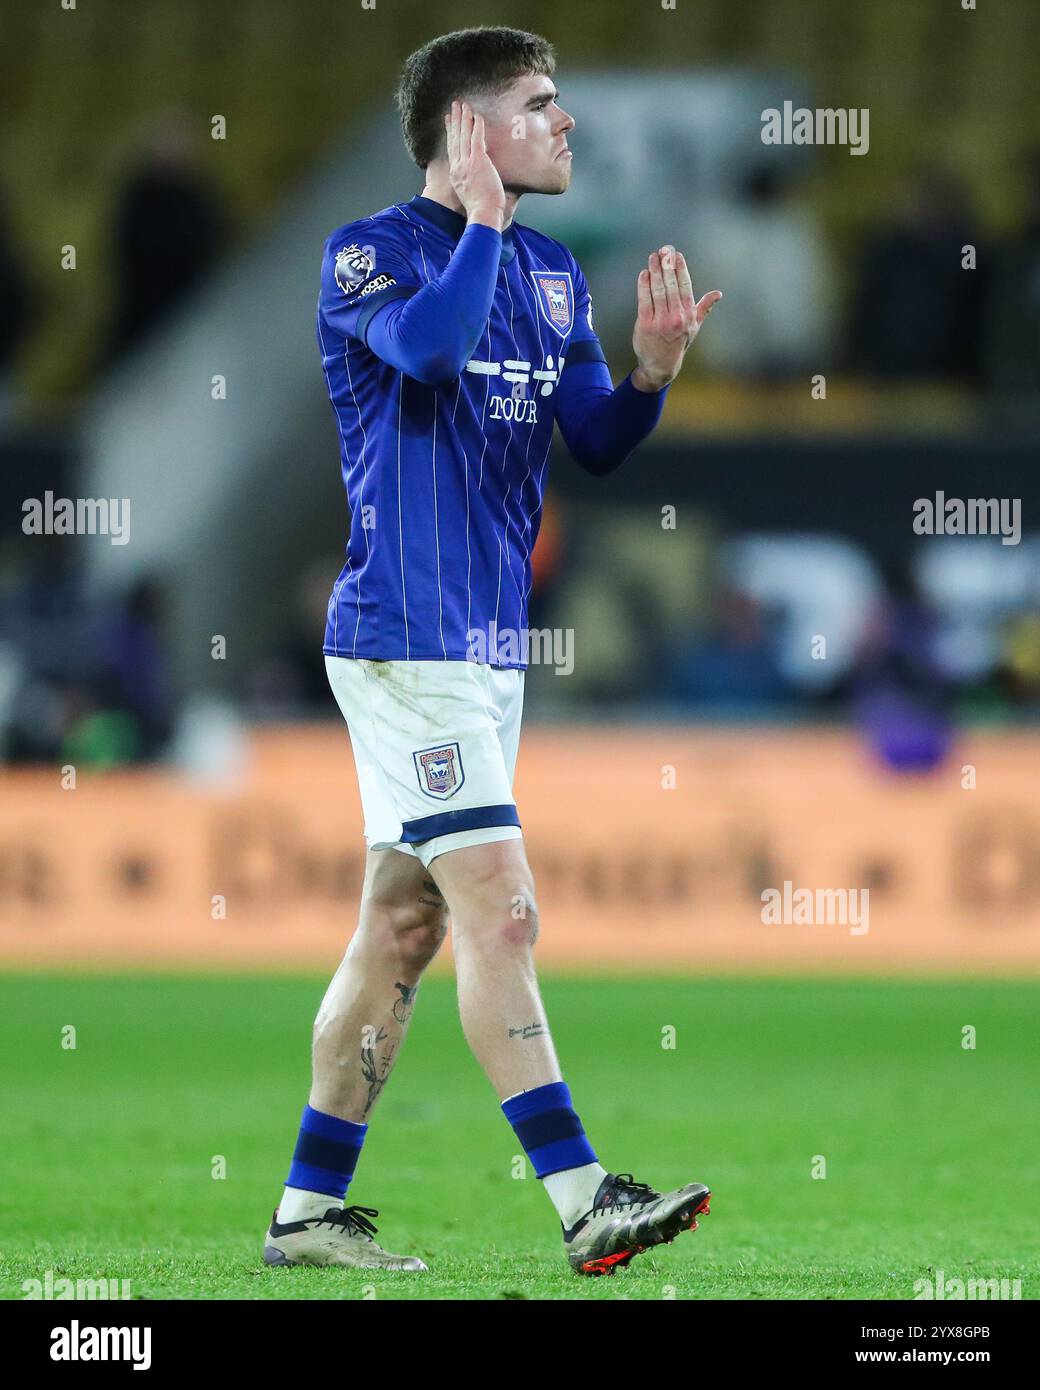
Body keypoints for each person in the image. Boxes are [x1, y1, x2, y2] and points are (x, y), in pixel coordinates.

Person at [264, 25, 721, 1278]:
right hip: (404, 639)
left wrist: (647, 374)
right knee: (499, 912)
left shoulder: (558, 275)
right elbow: (423, 350)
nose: (566, 123)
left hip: (482, 648)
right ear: (467, 131)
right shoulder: (371, 253)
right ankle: (583, 1200)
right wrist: (470, 223)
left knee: (401, 928)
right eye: (539, 103)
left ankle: (307, 1215)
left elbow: (597, 438)